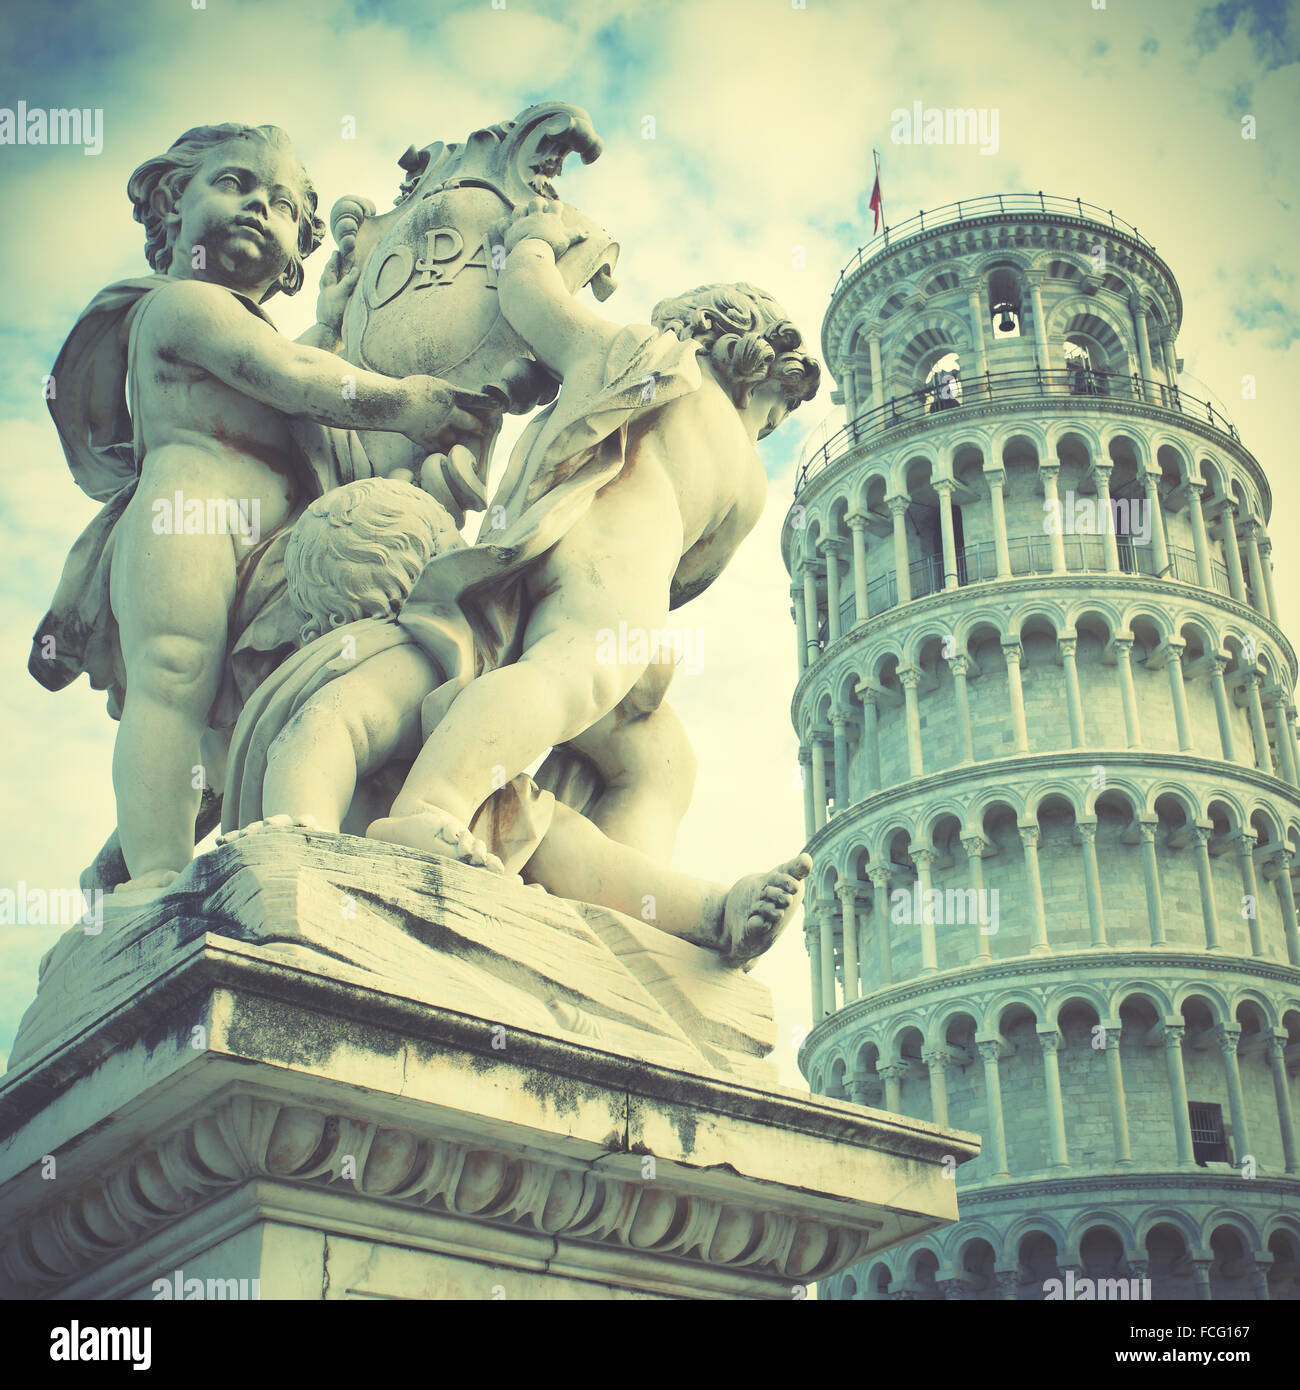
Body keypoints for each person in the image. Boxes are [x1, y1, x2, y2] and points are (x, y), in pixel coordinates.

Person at [30, 123, 498, 902]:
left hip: (277, 545)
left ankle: (121, 865)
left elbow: (308, 362)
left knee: (246, 714)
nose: (257, 207)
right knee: (172, 680)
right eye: (235, 184)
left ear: (296, 246)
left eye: (281, 205)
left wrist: (341, 318)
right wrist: (407, 403)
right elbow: (288, 374)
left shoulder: (260, 326)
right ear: (173, 206)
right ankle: (152, 873)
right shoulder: (178, 307)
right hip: (186, 520)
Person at [364, 197, 820, 868]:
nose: (770, 426)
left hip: (540, 543)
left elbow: (533, 302)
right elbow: (688, 576)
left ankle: (611, 896)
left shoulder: (635, 353)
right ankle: (432, 805)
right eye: (776, 411)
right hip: (622, 585)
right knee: (566, 688)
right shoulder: (748, 480)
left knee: (662, 758)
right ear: (755, 374)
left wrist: (535, 243)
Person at [220, 477, 810, 967]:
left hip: (467, 826)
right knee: (574, 850)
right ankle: (709, 912)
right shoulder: (400, 652)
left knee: (572, 845)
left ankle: (714, 913)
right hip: (391, 830)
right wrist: (304, 841)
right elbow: (324, 731)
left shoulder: (444, 667)